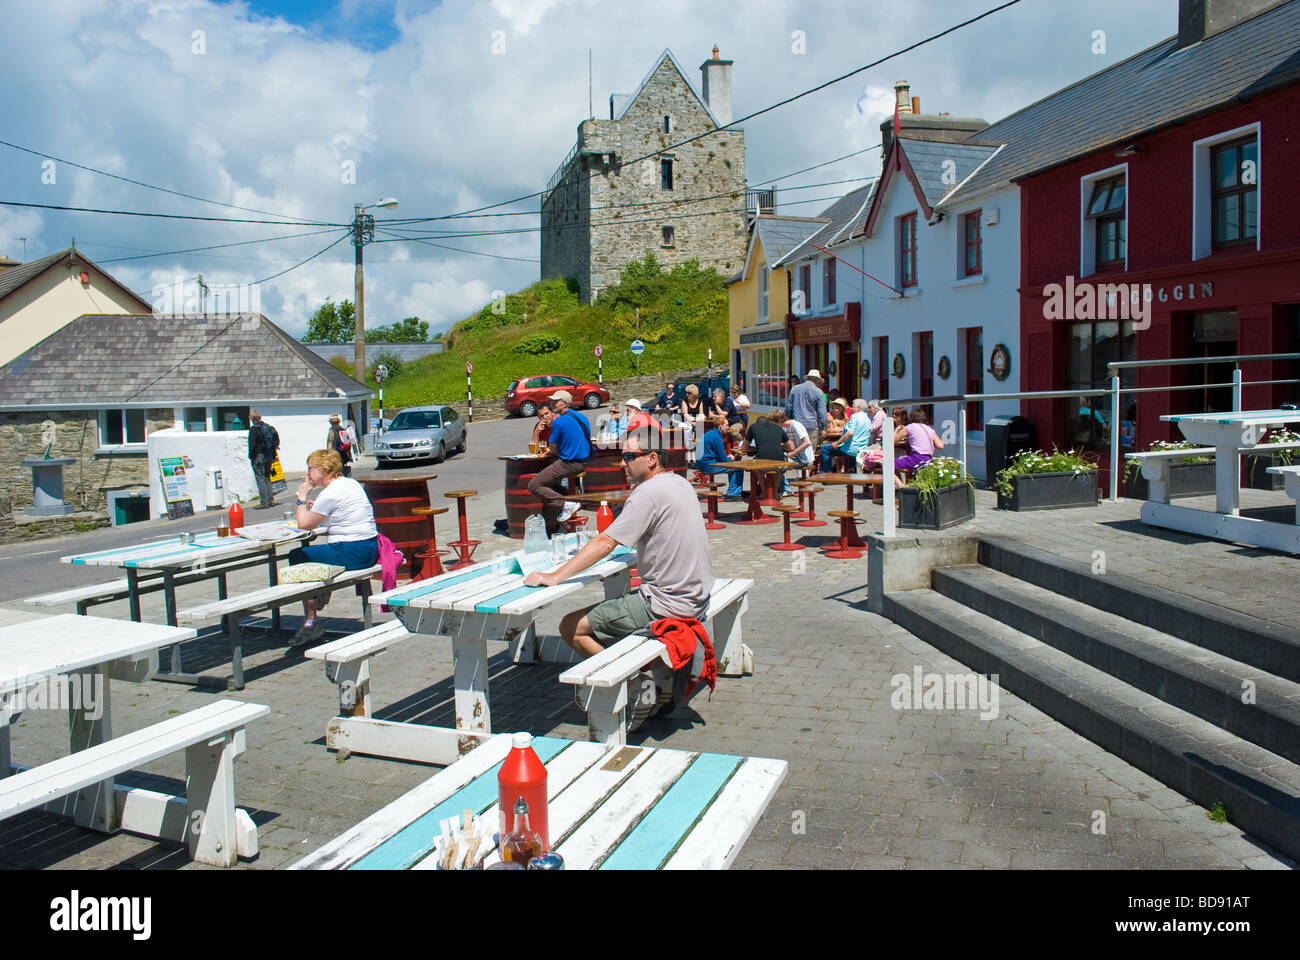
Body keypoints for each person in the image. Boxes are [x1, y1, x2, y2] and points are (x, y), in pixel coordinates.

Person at [522, 432, 713, 660]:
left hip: (667, 605)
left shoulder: (647, 493)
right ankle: (640, 666)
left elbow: (605, 542)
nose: (622, 463)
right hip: (698, 596)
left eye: (629, 456)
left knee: (570, 626)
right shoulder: (680, 482)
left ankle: (628, 682)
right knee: (612, 613)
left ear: (652, 458)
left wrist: (555, 576)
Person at [285, 449, 379, 647]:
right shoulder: (350, 484)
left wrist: (301, 498)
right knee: (310, 555)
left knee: (298, 556)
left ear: (323, 469)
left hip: (351, 551)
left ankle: (310, 622)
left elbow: (304, 524)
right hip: (369, 548)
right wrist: (317, 507)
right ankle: (317, 595)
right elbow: (338, 515)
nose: (307, 474)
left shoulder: (330, 493)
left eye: (310, 469)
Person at [526, 390, 591, 535]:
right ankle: (566, 506)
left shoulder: (559, 422)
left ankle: (565, 505)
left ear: (565, 403)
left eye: (556, 401)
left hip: (569, 463)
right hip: (585, 462)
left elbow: (553, 450)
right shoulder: (582, 416)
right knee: (551, 483)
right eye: (552, 401)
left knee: (534, 484)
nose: (552, 404)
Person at [696, 413, 745, 499]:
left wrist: (728, 458)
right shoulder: (716, 437)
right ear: (720, 426)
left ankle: (734, 490)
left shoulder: (710, 433)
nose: (728, 427)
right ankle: (734, 494)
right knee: (738, 468)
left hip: (701, 463)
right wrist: (731, 459)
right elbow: (722, 458)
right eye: (726, 425)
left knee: (733, 466)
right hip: (708, 465)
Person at [819, 399, 873, 473]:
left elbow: (850, 433)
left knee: (824, 449)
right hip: (861, 449)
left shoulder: (854, 417)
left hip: (850, 449)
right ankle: (850, 477)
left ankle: (825, 473)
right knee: (848, 452)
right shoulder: (868, 419)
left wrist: (837, 442)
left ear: (858, 408)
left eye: (853, 406)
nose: (851, 408)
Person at [893, 409, 945, 484]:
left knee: (887, 464)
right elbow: (940, 446)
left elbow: (891, 441)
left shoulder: (910, 427)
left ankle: (901, 486)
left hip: (916, 458)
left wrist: (896, 430)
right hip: (928, 459)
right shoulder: (929, 429)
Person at [772, 410, 813, 494]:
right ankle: (784, 488)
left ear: (779, 421)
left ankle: (786, 489)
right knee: (774, 463)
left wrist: (793, 453)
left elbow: (808, 442)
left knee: (778, 466)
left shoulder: (796, 425)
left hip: (804, 459)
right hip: (794, 457)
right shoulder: (783, 428)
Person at [786, 370, 829, 448]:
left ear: (808, 378)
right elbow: (822, 413)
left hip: (797, 425)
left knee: (796, 451)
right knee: (810, 453)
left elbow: (788, 408)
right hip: (811, 426)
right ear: (817, 380)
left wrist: (787, 421)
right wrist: (823, 428)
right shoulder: (819, 392)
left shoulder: (795, 389)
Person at [247, 410, 280, 509]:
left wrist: (251, 456)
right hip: (269, 455)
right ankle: (270, 499)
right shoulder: (269, 428)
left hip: (259, 456)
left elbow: (252, 446)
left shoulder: (254, 430)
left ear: (252, 418)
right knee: (267, 477)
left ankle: (264, 502)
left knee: (260, 478)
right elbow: (277, 441)